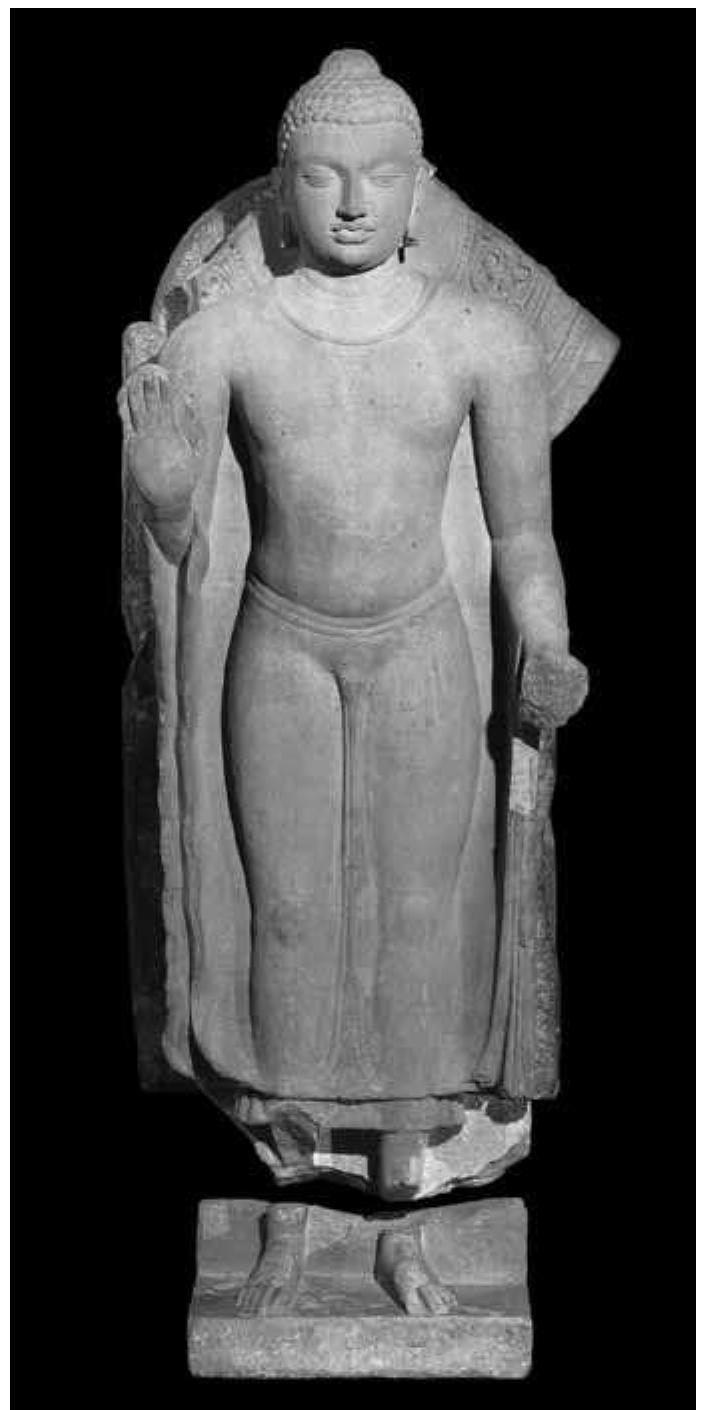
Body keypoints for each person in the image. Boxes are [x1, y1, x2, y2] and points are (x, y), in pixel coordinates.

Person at [122, 50, 577, 1220]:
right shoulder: (226, 336)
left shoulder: (482, 340)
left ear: (419, 188)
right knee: (283, 907)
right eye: (321, 176)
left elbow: (520, 534)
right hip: (277, 643)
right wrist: (160, 485)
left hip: (421, 643)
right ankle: (294, 1142)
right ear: (280, 192)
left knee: (421, 907)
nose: (351, 201)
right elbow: (178, 537)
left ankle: (406, 1151)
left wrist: (547, 644)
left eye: (379, 175)